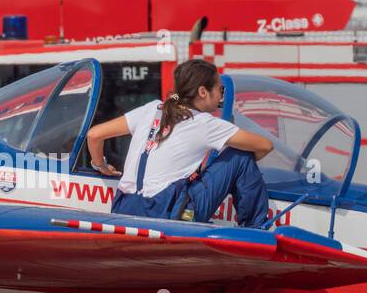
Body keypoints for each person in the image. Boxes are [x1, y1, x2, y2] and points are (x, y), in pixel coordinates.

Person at [85, 59, 273, 226]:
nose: (221, 96)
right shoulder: (204, 123)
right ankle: (256, 229)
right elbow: (265, 146)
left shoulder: (152, 108)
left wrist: (101, 166)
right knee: (240, 156)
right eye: (219, 90)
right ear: (202, 92)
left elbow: (94, 135)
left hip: (123, 210)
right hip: (165, 215)